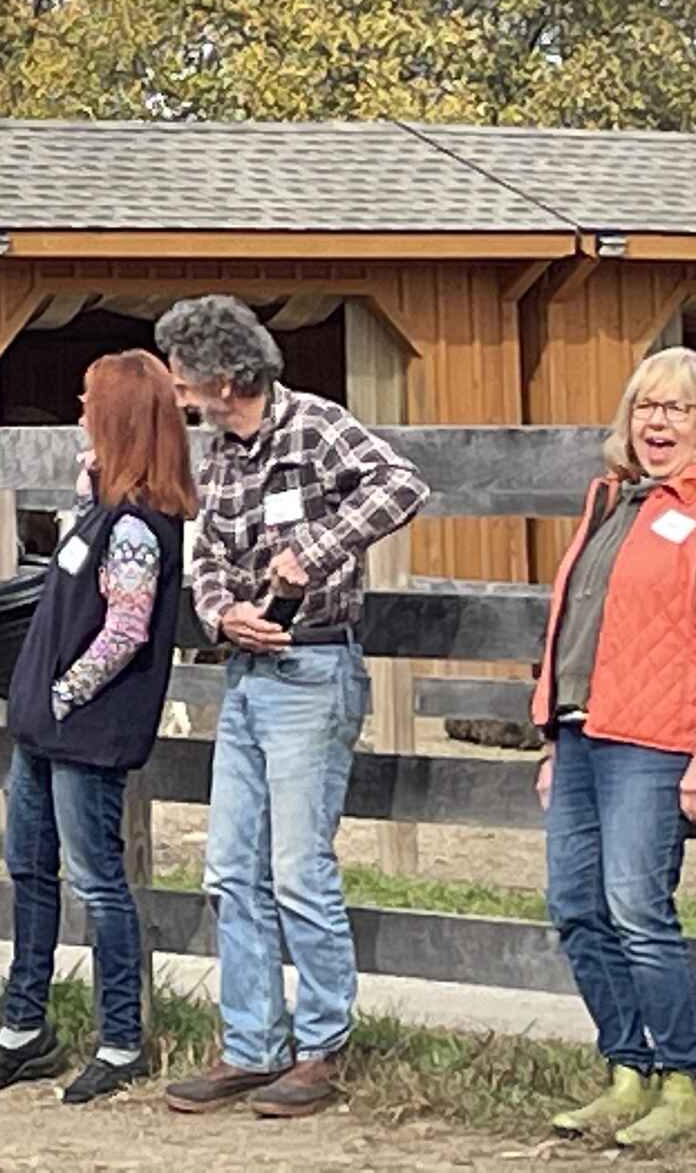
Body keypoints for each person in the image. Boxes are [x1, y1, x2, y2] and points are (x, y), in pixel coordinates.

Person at [153, 295, 430, 1119]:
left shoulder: (315, 425)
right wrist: (220, 615)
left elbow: (402, 483)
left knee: (297, 869)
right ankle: (250, 1044)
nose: (176, 390)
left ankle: (319, 1046)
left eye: (183, 376)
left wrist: (312, 550)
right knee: (229, 867)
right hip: (245, 670)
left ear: (224, 377)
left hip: (312, 667)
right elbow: (204, 556)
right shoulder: (216, 457)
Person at [0, 350, 198, 1104]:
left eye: (91, 401)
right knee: (29, 867)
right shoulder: (101, 512)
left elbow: (124, 630)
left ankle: (120, 1037)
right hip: (47, 727)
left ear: (117, 418)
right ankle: (23, 1027)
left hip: (83, 732)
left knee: (97, 881)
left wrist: (63, 695)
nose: (80, 410)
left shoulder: (137, 528)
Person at [529, 347, 696, 1148]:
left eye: (675, 408)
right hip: (580, 731)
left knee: (636, 908)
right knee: (574, 906)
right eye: (645, 406)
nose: (656, 422)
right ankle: (626, 1066)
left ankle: (685, 1077)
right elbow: (574, 627)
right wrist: (552, 732)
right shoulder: (611, 498)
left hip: (654, 740)